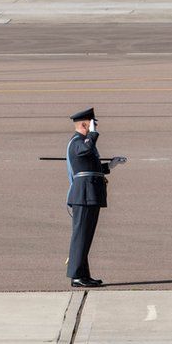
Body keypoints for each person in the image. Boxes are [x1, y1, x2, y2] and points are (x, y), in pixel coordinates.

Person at [65, 108, 126, 287]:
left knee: (86, 236)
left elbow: (89, 167)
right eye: (93, 123)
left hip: (89, 195)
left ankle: (83, 274)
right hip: (84, 196)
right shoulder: (78, 141)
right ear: (85, 124)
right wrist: (92, 134)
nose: (96, 126)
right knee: (81, 236)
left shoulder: (84, 143)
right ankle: (76, 276)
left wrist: (110, 166)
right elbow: (84, 151)